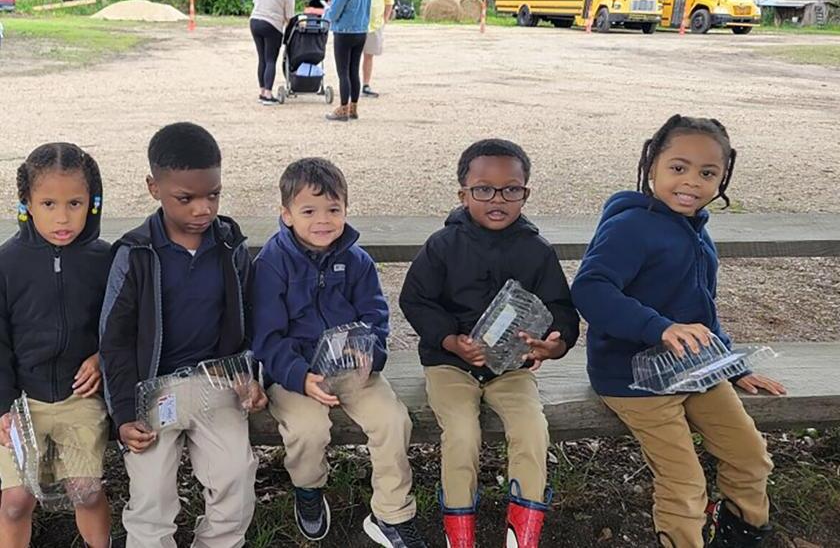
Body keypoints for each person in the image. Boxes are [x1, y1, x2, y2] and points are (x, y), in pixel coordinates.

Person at [571, 115, 787, 548]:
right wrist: (659, 327)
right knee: (685, 483)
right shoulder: (630, 226)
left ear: (723, 176)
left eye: (708, 173)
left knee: (750, 457)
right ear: (652, 164)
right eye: (678, 167)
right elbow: (590, 289)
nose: (691, 182)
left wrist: (731, 365)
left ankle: (743, 535)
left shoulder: (696, 230)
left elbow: (701, 310)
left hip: (696, 370)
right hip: (632, 378)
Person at [399, 139, 580, 548]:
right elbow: (415, 299)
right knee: (462, 432)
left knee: (532, 428)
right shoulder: (443, 246)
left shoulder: (537, 250)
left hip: (512, 369)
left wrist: (555, 344)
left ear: (525, 193)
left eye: (510, 189)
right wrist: (450, 339)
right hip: (450, 365)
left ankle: (523, 532)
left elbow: (562, 309)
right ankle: (459, 534)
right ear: (463, 193)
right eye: (483, 189)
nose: (497, 199)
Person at [99, 122, 266, 548]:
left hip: (217, 382)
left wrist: (251, 375)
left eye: (213, 195)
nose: (202, 209)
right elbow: (114, 341)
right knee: (151, 491)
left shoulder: (230, 247)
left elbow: (250, 320)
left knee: (235, 475)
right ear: (154, 188)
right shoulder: (135, 255)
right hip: (153, 391)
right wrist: (123, 416)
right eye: (186, 198)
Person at [251, 157, 427, 548]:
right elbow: (265, 336)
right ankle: (309, 491)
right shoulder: (272, 264)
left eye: (334, 209)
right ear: (286, 214)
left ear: (346, 210)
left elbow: (375, 314)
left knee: (392, 421)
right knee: (308, 430)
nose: (323, 220)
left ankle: (392, 513)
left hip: (353, 369)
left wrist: (371, 351)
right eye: (309, 210)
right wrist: (298, 375)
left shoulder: (357, 261)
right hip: (295, 373)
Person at [0, 143, 112, 548]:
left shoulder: (107, 260)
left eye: (75, 203)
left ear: (93, 202)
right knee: (15, 500)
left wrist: (102, 357)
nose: (62, 217)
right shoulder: (7, 263)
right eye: (48, 203)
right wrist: (2, 405)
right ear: (26, 203)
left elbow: (121, 326)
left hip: (79, 399)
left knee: (85, 490)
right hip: (21, 403)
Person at [324, 0, 371, 121]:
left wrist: (327, 10)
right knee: (354, 70)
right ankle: (354, 108)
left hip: (344, 33)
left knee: (342, 72)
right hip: (361, 32)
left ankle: (343, 108)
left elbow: (334, 14)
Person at [250, 0, 302, 106]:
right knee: (271, 59)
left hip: (254, 21)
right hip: (271, 25)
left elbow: (256, 1)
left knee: (262, 59)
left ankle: (262, 91)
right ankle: (268, 94)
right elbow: (289, 17)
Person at [360, 0, 394, 98]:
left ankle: (366, 85)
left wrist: (384, 20)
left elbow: (389, 0)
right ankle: (351, 84)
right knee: (353, 55)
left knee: (369, 55)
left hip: (375, 24)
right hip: (359, 22)